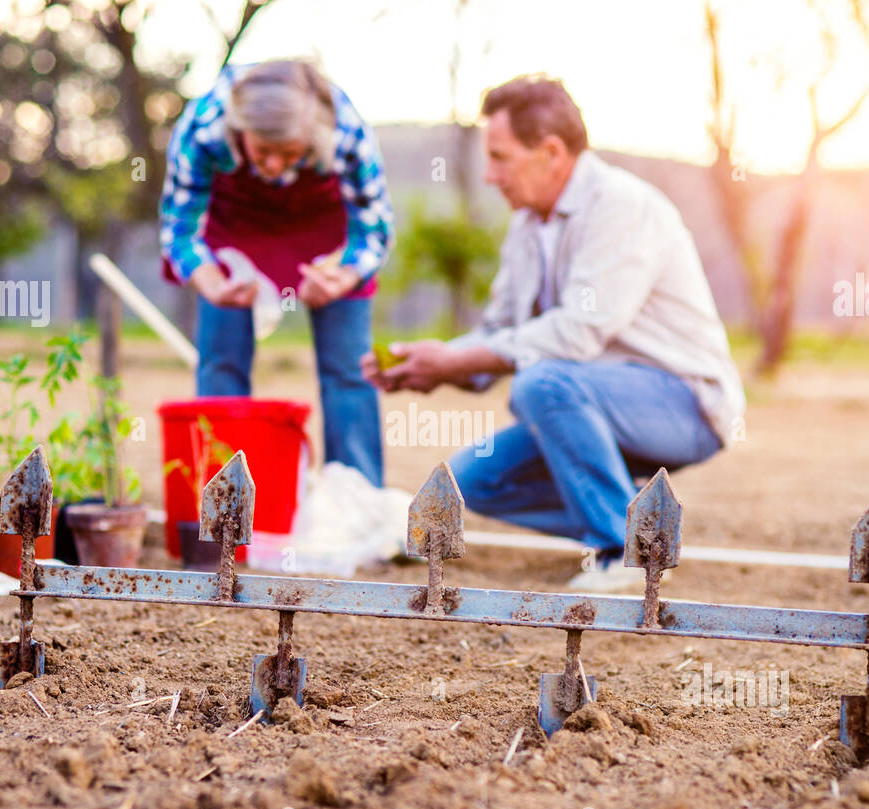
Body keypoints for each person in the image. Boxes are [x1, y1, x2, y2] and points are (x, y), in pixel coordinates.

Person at [362, 75, 744, 592]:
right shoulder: (527, 227)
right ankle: (647, 518)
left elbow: (577, 334)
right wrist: (428, 362)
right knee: (474, 479)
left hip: (683, 405)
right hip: (589, 403)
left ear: (551, 151)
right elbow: (500, 332)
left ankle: (621, 549)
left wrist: (457, 361)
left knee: (540, 384)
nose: (490, 175)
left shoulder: (622, 206)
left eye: (500, 157)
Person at [159, 59, 394, 487]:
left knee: (348, 370)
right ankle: (224, 499)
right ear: (238, 129)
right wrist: (209, 280)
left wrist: (343, 274)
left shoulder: (347, 131)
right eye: (261, 150)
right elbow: (179, 226)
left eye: (290, 153)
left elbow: (374, 228)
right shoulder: (203, 127)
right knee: (221, 362)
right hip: (234, 228)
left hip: (324, 229)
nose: (273, 166)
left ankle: (356, 497)